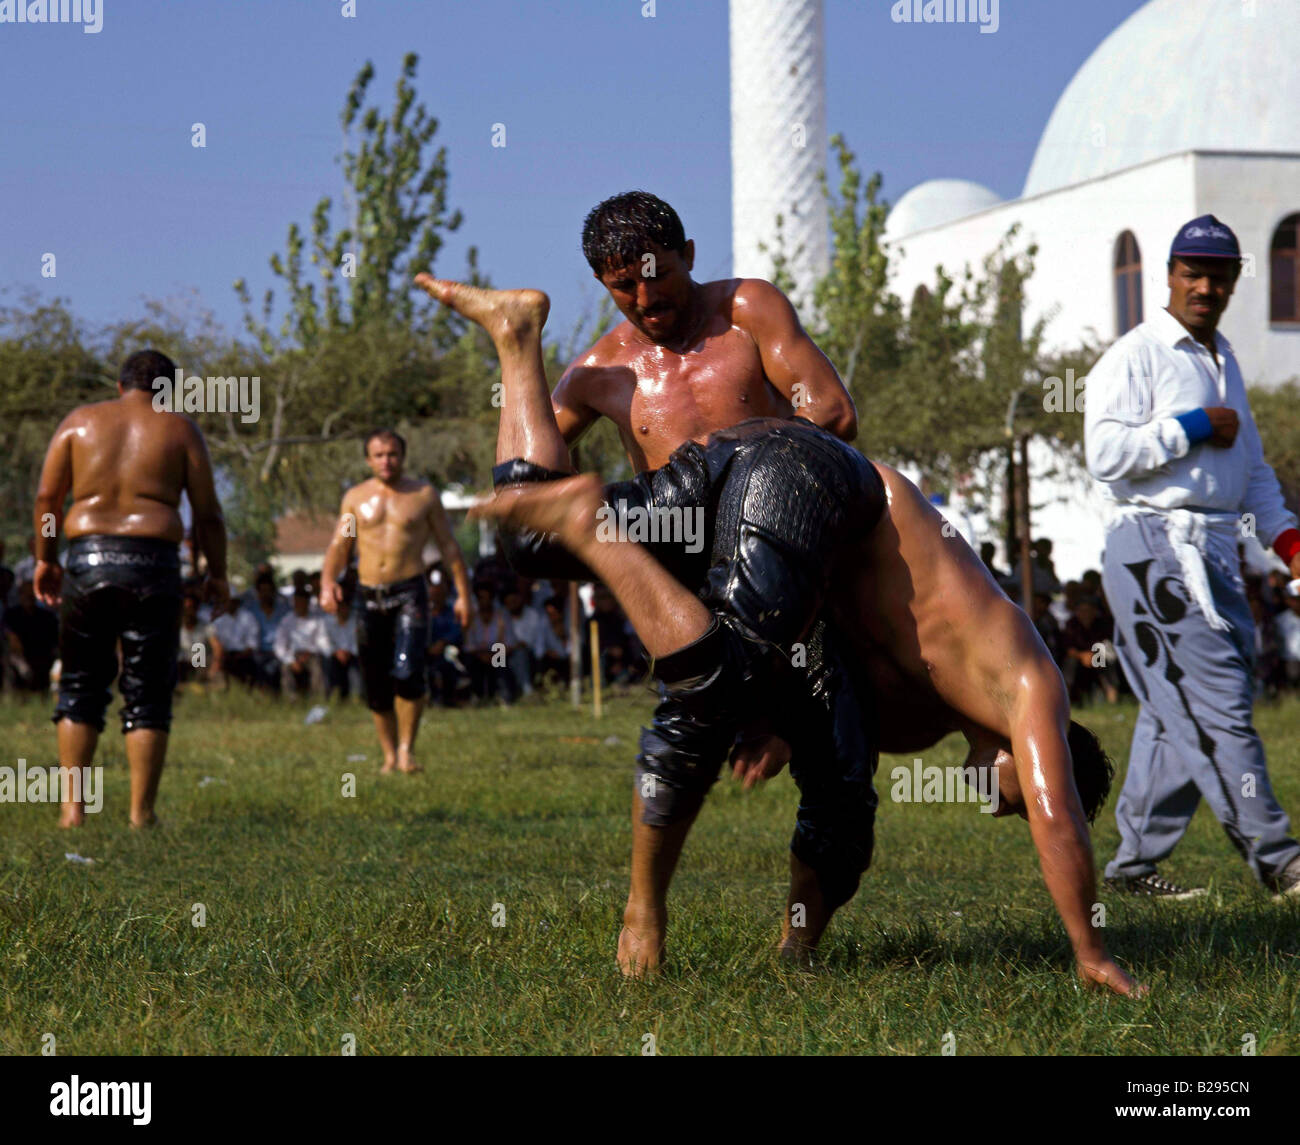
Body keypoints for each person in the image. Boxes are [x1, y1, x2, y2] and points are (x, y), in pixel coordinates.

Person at [471, 447, 1141, 997]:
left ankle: (516, 333)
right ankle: (593, 524)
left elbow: (835, 687)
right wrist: (1091, 950)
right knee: (713, 681)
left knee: (531, 542)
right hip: (809, 478)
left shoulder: (926, 720)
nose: (1001, 812)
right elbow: (1060, 819)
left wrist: (780, 730)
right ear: (1043, 758)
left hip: (771, 501)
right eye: (1019, 805)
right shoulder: (1031, 681)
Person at [1085, 214, 1300, 900]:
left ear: (1236, 280)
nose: (1204, 286)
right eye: (1192, 272)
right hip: (1153, 541)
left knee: (1172, 707)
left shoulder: (1223, 359)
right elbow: (1106, 454)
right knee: (1219, 703)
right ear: (1170, 276)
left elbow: (1255, 471)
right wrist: (1192, 426)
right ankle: (1281, 858)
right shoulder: (1137, 354)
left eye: (1218, 274)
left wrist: (1290, 543)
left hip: (1214, 546)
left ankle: (1133, 867)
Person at [32, 349, 228, 828]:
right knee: (147, 691)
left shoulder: (79, 423)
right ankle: (141, 814)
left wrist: (45, 559)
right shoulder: (181, 430)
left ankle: (73, 811)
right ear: (170, 390)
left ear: (120, 386)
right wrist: (215, 574)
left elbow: (47, 498)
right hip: (152, 564)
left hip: (89, 559)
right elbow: (206, 514)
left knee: (80, 684)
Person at [319, 430, 472, 773]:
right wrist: (327, 581)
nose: (386, 461)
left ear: (403, 456)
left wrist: (464, 594)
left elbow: (449, 546)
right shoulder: (355, 498)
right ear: (368, 460)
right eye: (379, 455)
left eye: (392, 454)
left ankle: (407, 750)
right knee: (375, 679)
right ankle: (388, 754)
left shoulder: (423, 495)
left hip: (409, 592)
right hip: (368, 593)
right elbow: (339, 547)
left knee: (407, 670)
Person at [3, 580, 58, 694]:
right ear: (20, 595)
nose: (28, 598)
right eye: (25, 594)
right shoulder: (12, 615)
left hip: (42, 656)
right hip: (19, 656)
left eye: (31, 595)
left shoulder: (46, 616)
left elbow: (53, 639)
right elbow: (13, 640)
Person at [274, 588, 328, 697]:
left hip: (311, 654)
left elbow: (323, 642)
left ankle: (317, 698)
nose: (300, 605)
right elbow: (279, 646)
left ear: (308, 603)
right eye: (297, 602)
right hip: (292, 654)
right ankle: (291, 699)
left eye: (303, 602)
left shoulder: (317, 620)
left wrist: (309, 652)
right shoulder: (286, 620)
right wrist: (291, 660)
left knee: (317, 666)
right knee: (285, 667)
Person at [210, 594, 259, 689]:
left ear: (237, 602)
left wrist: (240, 656)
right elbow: (216, 643)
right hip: (225, 655)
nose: (229, 604)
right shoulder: (218, 620)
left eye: (231, 601)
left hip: (244, 655)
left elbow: (252, 643)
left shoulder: (248, 617)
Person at [321, 592, 361, 701]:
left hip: (352, 654)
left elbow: (358, 641)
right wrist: (336, 652)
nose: (343, 610)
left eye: (345, 607)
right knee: (327, 661)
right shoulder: (327, 621)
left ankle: (357, 695)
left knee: (359, 664)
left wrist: (347, 652)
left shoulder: (356, 620)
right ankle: (332, 695)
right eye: (341, 607)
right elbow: (324, 642)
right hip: (334, 655)